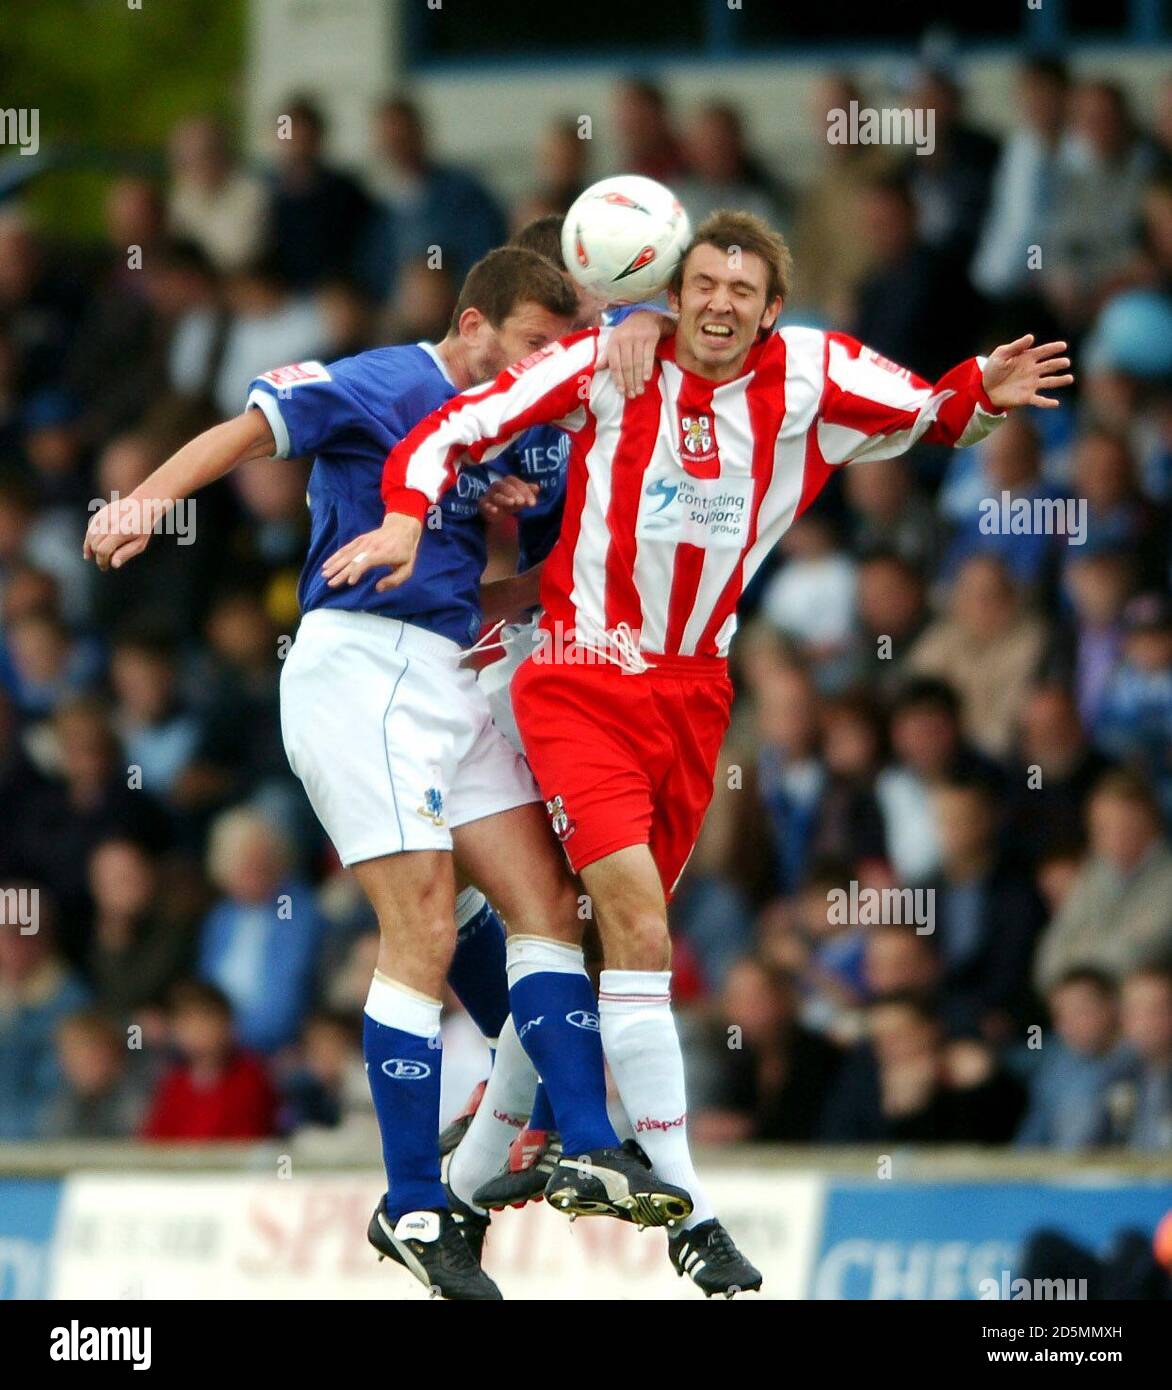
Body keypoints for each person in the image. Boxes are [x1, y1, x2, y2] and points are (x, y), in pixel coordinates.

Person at [333, 208, 1072, 1293]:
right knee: (634, 919)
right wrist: (404, 519)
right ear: (671, 295)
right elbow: (451, 431)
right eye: (703, 284)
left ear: (772, 310)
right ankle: (688, 1212)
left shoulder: (814, 375)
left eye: (742, 289)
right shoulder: (606, 359)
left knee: (585, 945)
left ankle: (477, 1175)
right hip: (579, 673)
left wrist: (977, 394)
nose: (720, 302)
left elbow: (929, 414)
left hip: (691, 695)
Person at [83, 246, 676, 1300]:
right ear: (471, 324)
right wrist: (140, 502)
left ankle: (584, 1142)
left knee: (546, 904)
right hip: (358, 664)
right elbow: (242, 430)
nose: (545, 367)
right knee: (424, 930)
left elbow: (525, 574)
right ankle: (411, 1202)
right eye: (533, 345)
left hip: (445, 669)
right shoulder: (382, 380)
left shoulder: (525, 429)